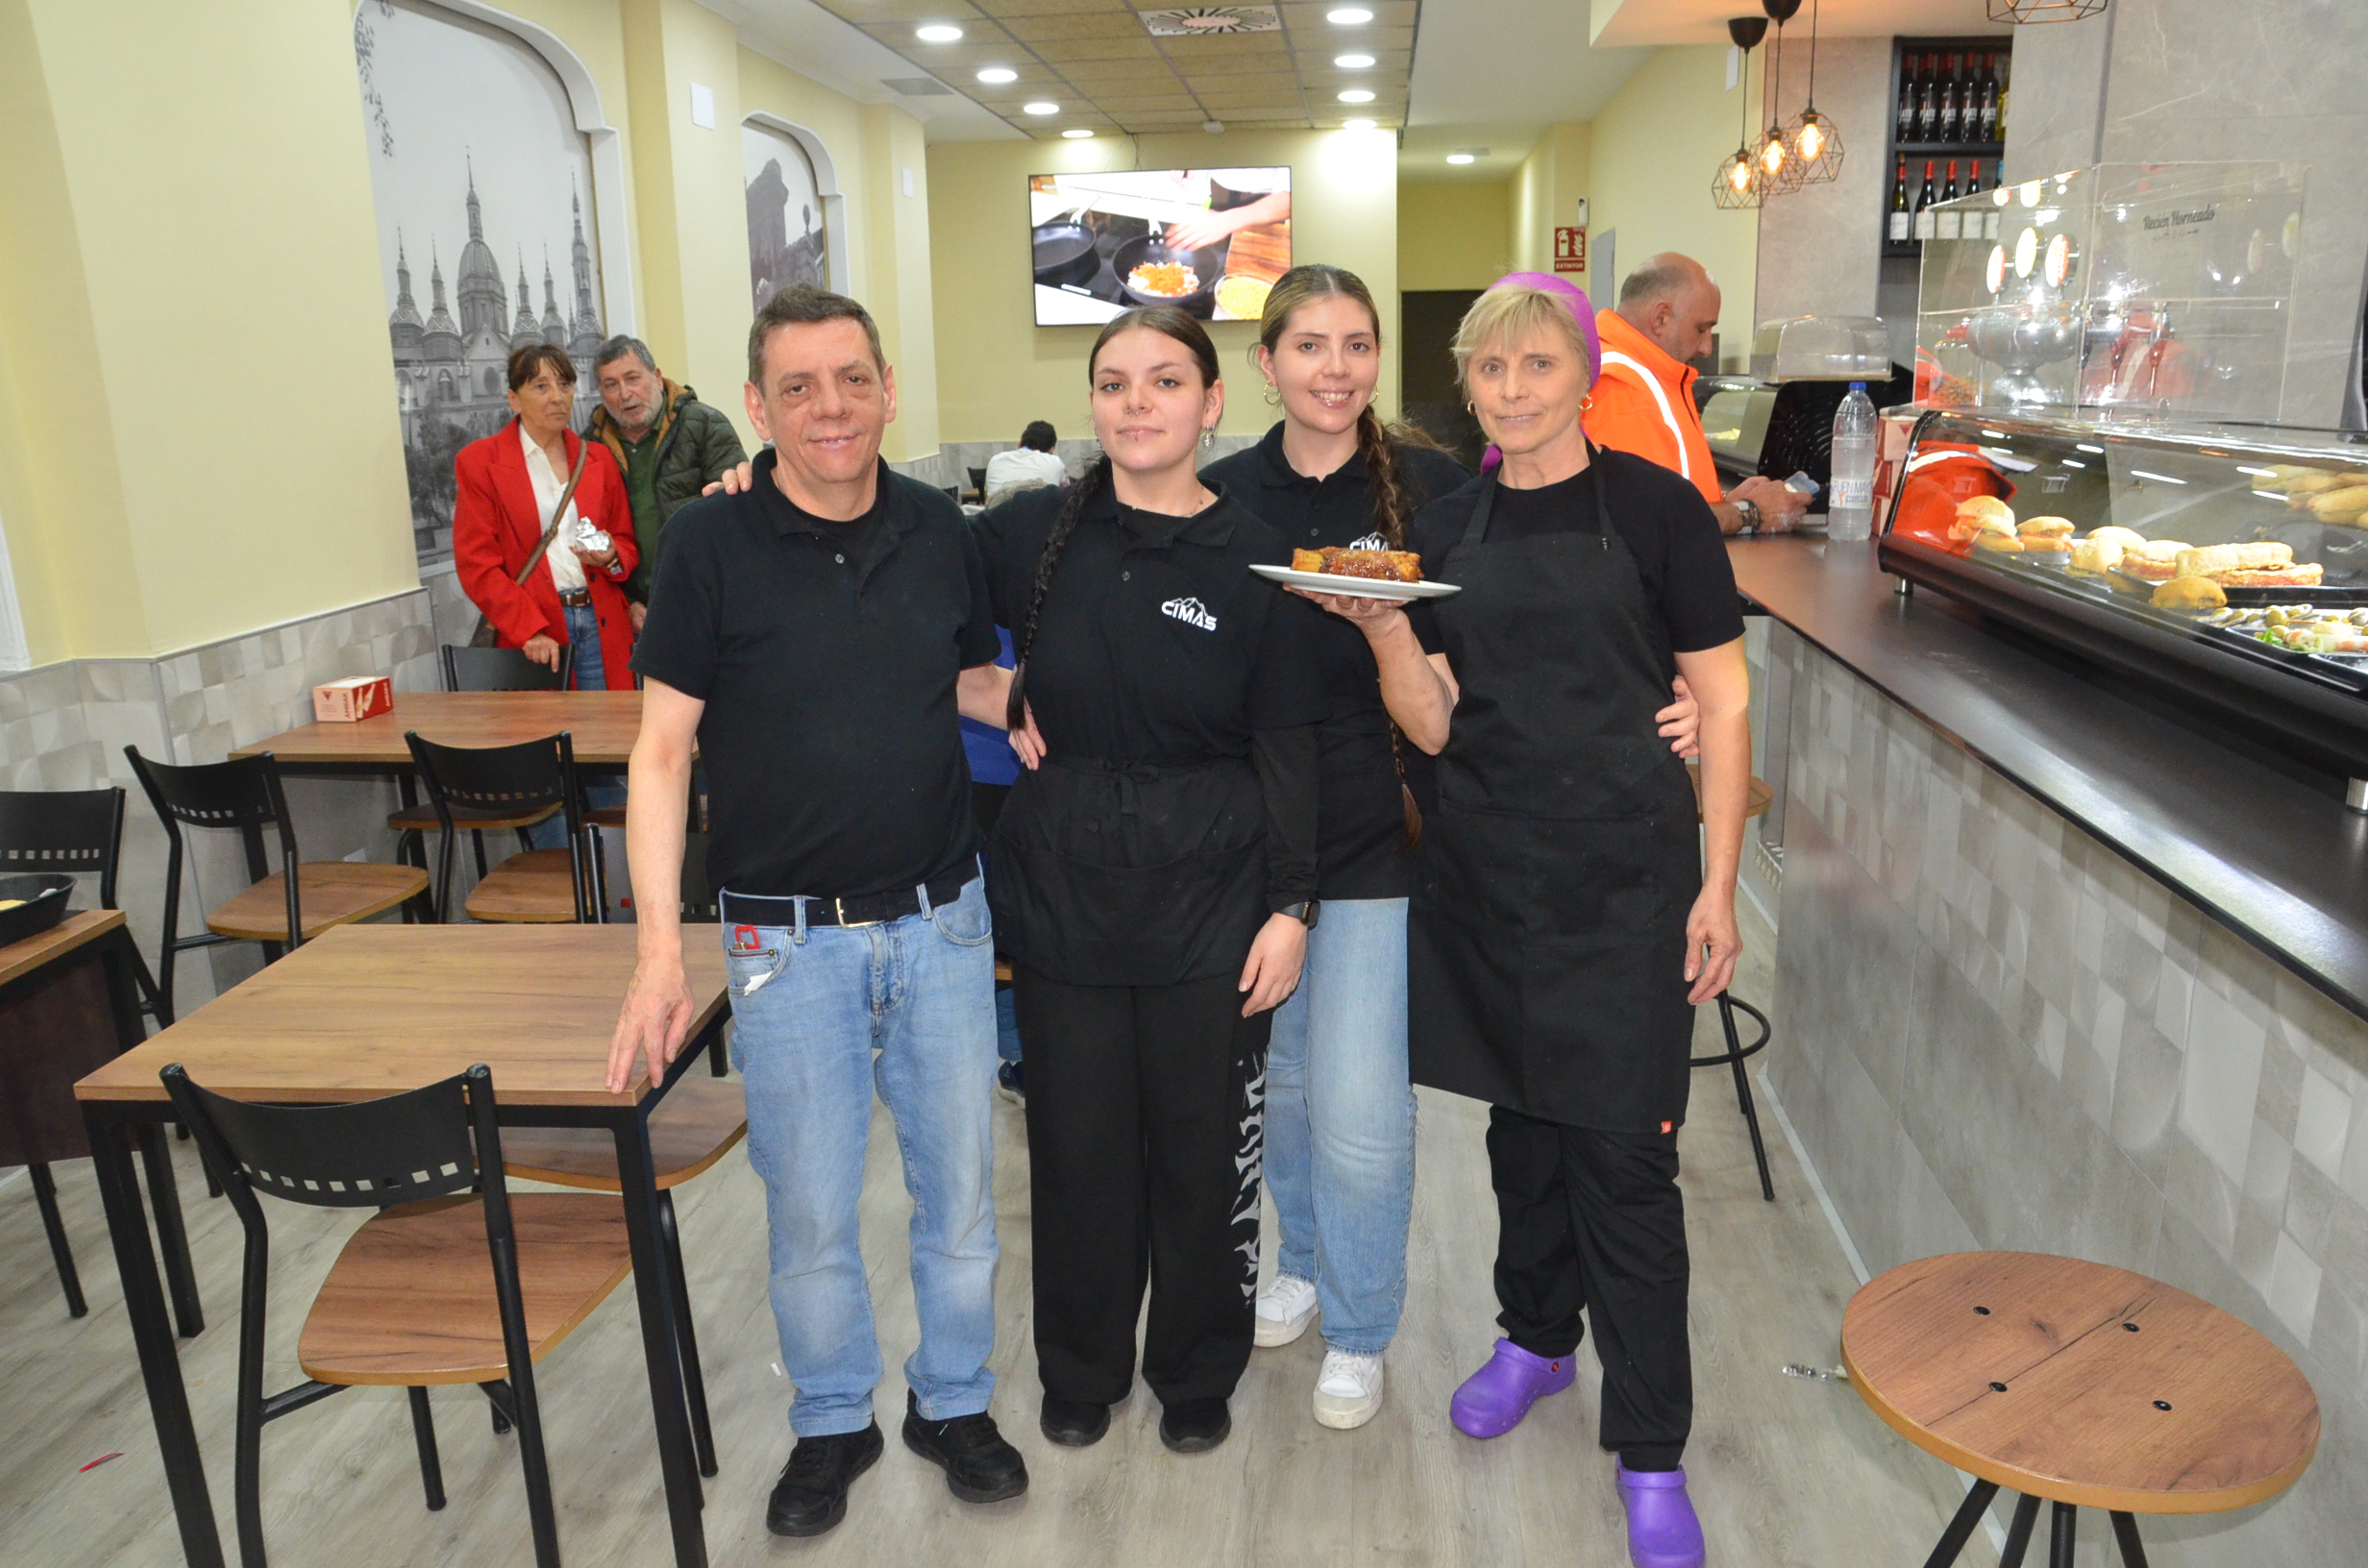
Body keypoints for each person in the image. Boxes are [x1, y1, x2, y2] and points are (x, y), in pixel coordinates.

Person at [1204, 263, 1704, 1433]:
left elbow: (1568, 646)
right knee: (1291, 1091)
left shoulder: (1428, 489)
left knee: (1367, 1106)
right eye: (1309, 345)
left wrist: (1682, 687)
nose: (1334, 368)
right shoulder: (1230, 497)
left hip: (1404, 832)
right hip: (1269, 833)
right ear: (1265, 363)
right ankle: (1312, 1267)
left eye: (1356, 344)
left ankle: (1366, 1323)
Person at [1301, 280, 1750, 1568]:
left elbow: (1720, 703)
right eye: (1490, 367)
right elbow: (1436, 725)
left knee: (1621, 1160)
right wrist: (1387, 629)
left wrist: (1718, 883)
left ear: (1585, 369)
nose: (1513, 386)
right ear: (1470, 382)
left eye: (1537, 362)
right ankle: (1537, 1339)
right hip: (1491, 877)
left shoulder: (1660, 513)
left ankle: (1652, 1448)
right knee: (1522, 1132)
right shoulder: (1445, 526)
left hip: (1626, 879)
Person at [607, 284, 1032, 1538]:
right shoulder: (705, 544)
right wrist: (653, 957)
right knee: (808, 1205)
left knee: (957, 1195)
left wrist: (1037, 707)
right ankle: (832, 1420)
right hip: (779, 938)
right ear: (757, 405)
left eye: (851, 380)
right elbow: (661, 751)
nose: (831, 407)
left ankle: (953, 1400)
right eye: (798, 387)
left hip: (945, 921)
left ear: (889, 388)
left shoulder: (937, 531)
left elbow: (958, 671)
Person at [972, 306, 1324, 1458]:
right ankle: (1079, 1366)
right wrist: (755, 483)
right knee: (1074, 1149)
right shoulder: (1028, 534)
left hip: (1214, 896)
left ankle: (1194, 1366)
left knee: (1200, 1144)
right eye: (1114, 382)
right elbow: (887, 580)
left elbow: (1289, 741)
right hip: (1065, 887)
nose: (1137, 402)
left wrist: (1290, 904)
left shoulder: (1258, 554)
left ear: (1212, 403)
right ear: (1092, 405)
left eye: (1164, 381)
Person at [453, 343, 637, 689]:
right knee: (550, 738)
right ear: (514, 398)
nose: (557, 397)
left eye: (565, 385)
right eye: (541, 386)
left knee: (612, 736)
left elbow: (625, 540)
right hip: (537, 633)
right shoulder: (480, 463)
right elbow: (477, 565)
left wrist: (611, 555)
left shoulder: (597, 458)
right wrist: (528, 630)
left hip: (603, 622)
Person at [1586, 253, 1809, 537]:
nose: (1706, 348)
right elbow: (1651, 525)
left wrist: (1723, 501)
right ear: (1661, 318)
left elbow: (1669, 497)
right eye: (1701, 329)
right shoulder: (1621, 391)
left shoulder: (1644, 372)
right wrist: (1750, 512)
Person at [587, 335, 749, 632]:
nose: (625, 394)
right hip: (635, 612)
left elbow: (739, 516)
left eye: (632, 378)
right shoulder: (590, 448)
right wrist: (625, 603)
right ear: (601, 393)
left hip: (707, 604)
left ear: (657, 377)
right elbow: (588, 534)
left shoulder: (705, 425)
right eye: (611, 385)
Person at [982, 421, 1068, 507]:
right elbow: (1067, 497)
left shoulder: (996, 460)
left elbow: (988, 498)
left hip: (996, 518)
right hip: (1040, 518)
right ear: (1051, 450)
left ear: (1019, 444)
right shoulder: (1056, 462)